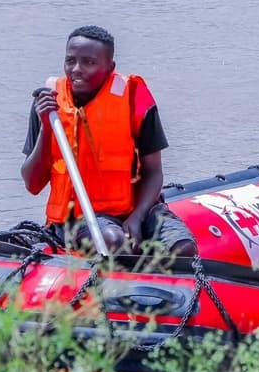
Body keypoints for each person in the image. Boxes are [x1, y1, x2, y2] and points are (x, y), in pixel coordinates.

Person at [21, 25, 197, 257]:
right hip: (81, 217)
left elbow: (154, 173)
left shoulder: (135, 99)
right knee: (114, 241)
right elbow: (32, 184)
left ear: (110, 67)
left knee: (184, 248)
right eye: (70, 61)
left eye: (89, 62)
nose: (76, 70)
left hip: (135, 209)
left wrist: (138, 216)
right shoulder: (48, 105)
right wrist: (46, 127)